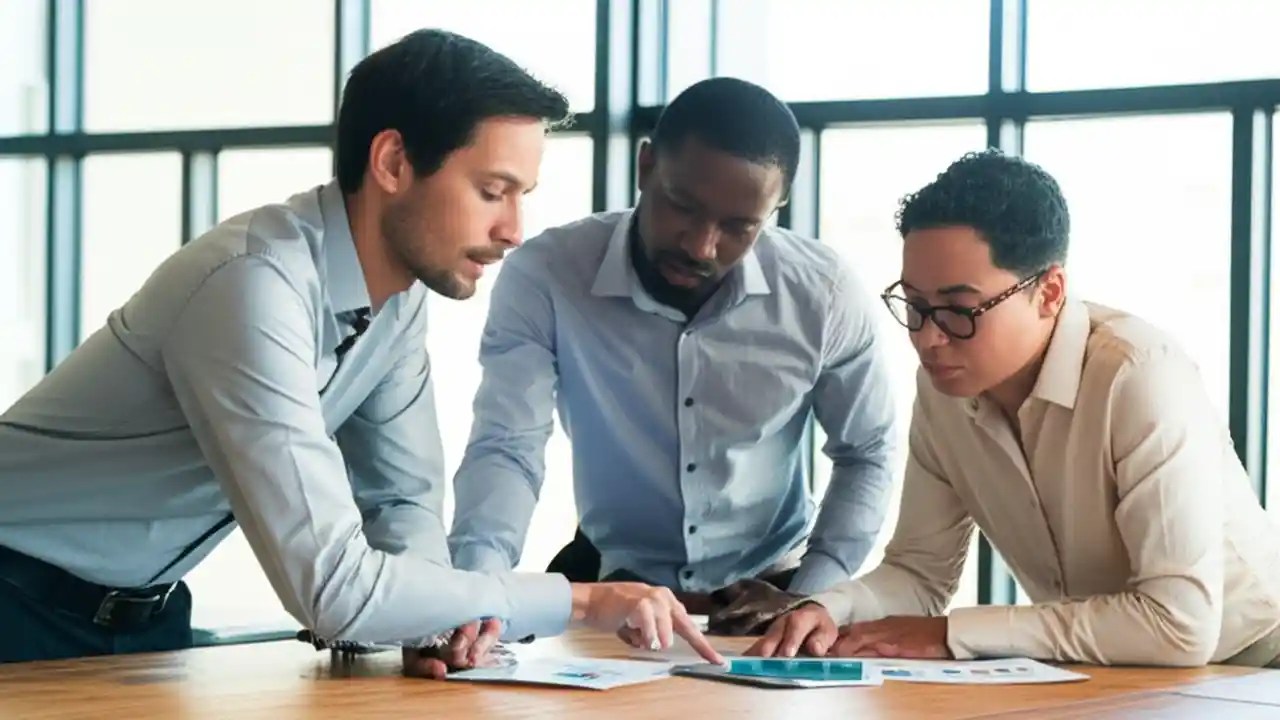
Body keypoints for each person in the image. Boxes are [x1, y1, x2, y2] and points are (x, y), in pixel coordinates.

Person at [0, 29, 722, 673]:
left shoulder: (397, 303)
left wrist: (447, 620)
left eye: (521, 196)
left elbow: (400, 497)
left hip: (145, 616)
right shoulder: (251, 287)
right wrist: (582, 601)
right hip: (15, 599)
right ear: (392, 161)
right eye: (492, 191)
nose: (513, 230)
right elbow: (335, 592)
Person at [745, 149, 1280, 667]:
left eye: (959, 310)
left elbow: (1179, 624)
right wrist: (826, 608)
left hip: (1254, 664)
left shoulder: (1137, 375)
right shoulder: (944, 388)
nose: (929, 338)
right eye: (914, 305)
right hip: (1113, 673)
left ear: (1049, 292)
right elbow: (919, 573)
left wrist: (953, 634)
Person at [447, 77, 897, 635]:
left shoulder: (822, 293)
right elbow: (508, 447)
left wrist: (812, 595)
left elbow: (867, 452)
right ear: (645, 167)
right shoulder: (548, 275)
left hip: (773, 593)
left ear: (775, 209)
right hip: (613, 585)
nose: (700, 245)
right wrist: (475, 592)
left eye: (739, 227)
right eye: (682, 206)